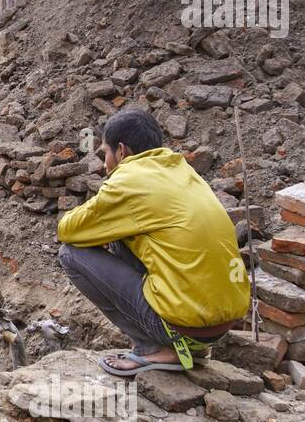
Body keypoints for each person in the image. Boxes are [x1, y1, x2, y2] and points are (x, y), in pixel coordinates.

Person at [56, 108, 251, 377]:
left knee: (71, 253)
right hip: (221, 324)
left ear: (121, 151)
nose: (104, 164)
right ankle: (187, 349)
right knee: (123, 234)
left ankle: (154, 348)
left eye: (105, 153)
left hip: (185, 324)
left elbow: (67, 230)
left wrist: (101, 230)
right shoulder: (182, 171)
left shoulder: (128, 180)